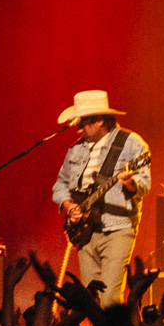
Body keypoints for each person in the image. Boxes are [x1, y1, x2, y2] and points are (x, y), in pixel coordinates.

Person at [51, 89, 152, 306]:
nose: (79, 128)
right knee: (90, 300)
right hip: (85, 232)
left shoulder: (131, 143)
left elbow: (145, 184)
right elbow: (60, 184)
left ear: (100, 120)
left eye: (84, 122)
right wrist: (69, 206)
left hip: (118, 228)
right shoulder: (76, 149)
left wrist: (131, 184)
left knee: (109, 298)